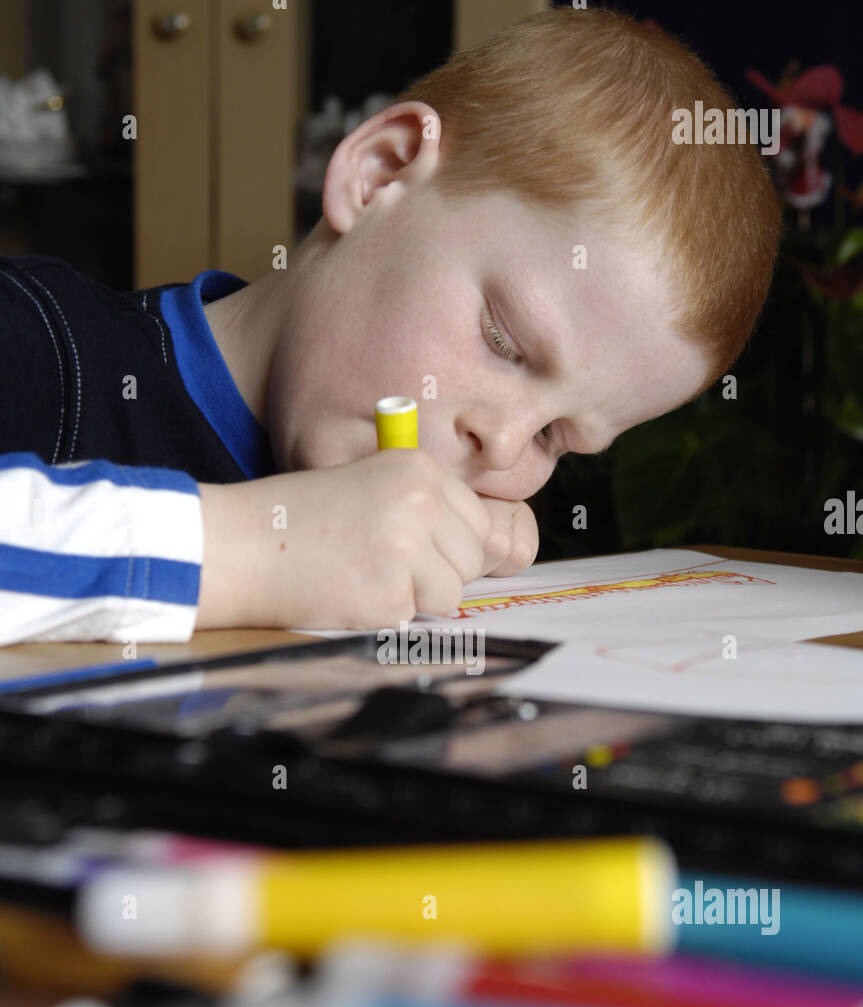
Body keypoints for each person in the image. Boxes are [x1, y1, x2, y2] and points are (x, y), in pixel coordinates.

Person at [0, 8, 781, 644]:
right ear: (379, 175)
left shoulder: (437, 522)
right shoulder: (33, 344)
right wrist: (256, 556)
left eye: (555, 438)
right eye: (503, 341)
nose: (504, 448)